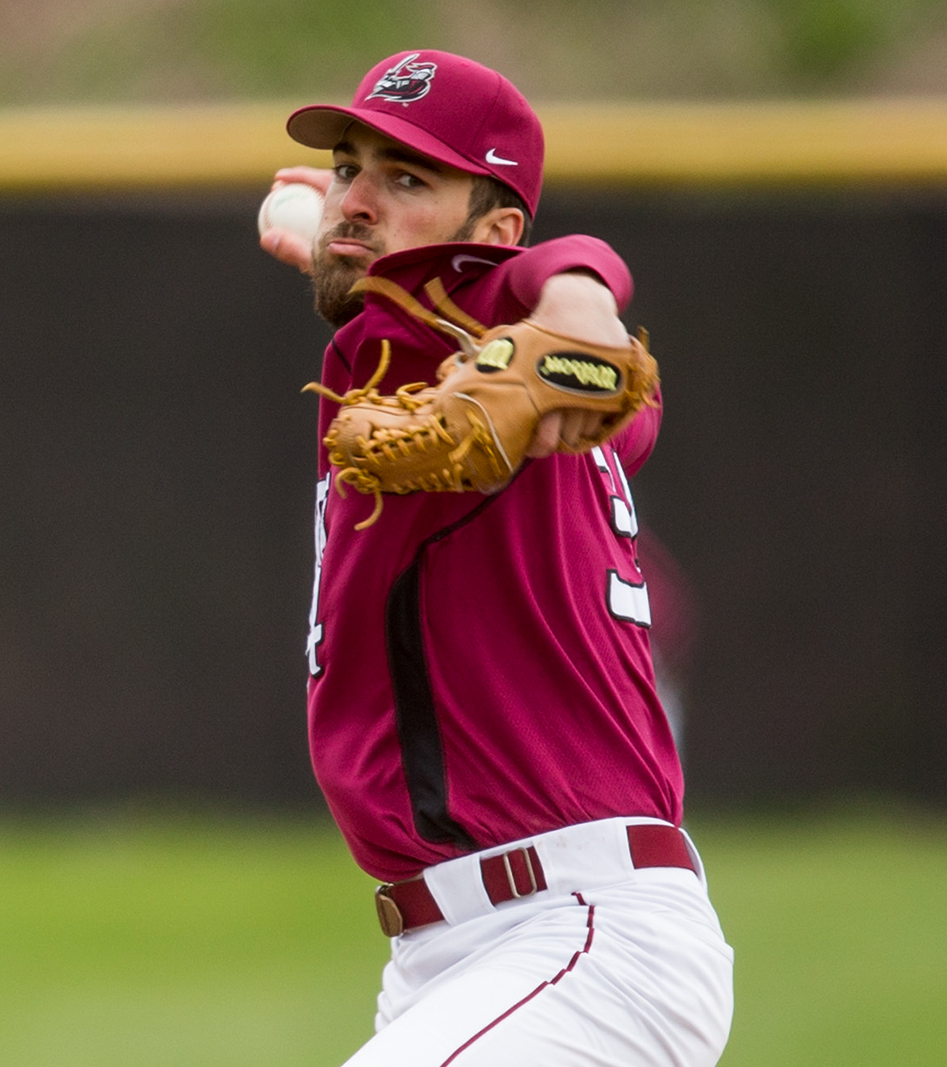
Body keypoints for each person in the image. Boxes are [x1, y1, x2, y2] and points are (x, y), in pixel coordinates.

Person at [261, 50, 733, 1067]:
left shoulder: (482, 322)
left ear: (494, 231)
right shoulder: (521, 387)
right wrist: (336, 228)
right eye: (349, 165)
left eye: (409, 178)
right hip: (465, 948)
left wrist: (568, 304)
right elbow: (604, 380)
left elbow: (567, 288)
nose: (359, 197)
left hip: (574, 929)